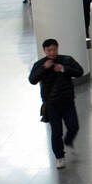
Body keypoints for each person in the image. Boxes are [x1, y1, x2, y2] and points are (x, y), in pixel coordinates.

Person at [29, 39, 84, 169]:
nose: (52, 52)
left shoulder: (66, 60)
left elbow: (79, 71)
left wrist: (63, 69)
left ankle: (68, 140)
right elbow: (32, 79)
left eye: (54, 49)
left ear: (57, 48)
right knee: (56, 131)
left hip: (67, 101)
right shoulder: (40, 64)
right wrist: (44, 68)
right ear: (44, 51)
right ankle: (59, 157)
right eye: (49, 50)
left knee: (73, 126)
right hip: (51, 104)